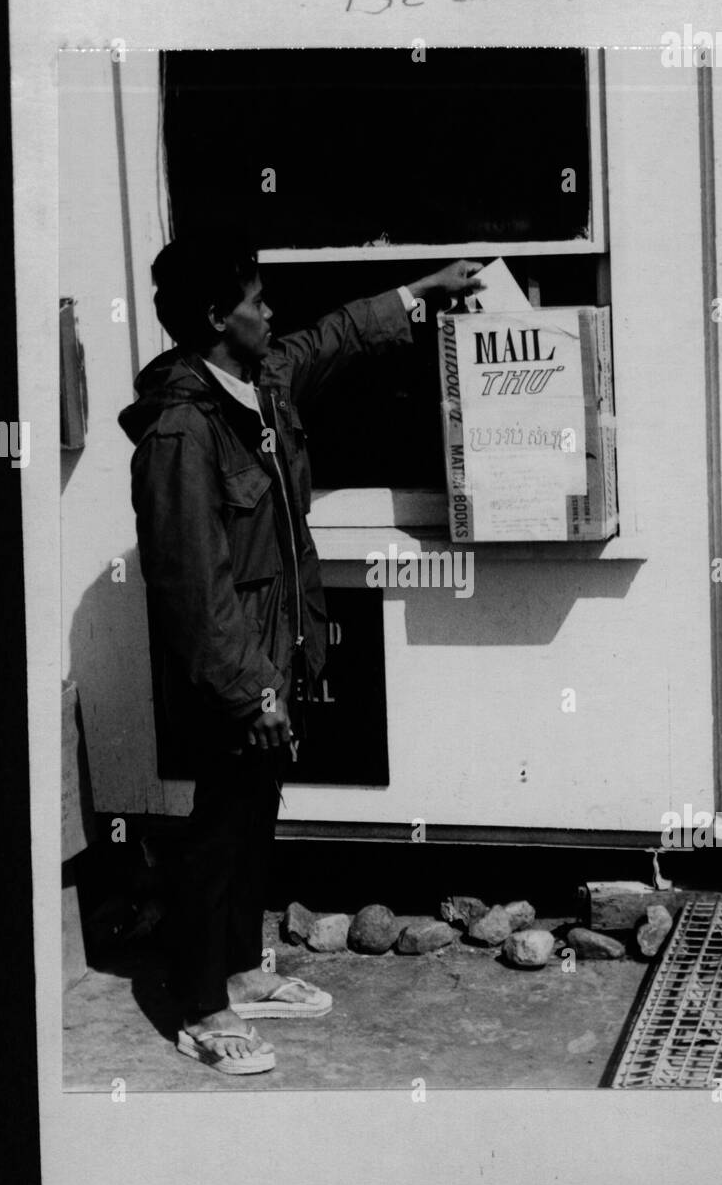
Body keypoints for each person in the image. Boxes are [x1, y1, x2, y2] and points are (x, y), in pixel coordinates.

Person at [119, 231, 483, 1074]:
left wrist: (422, 288)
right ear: (216, 318)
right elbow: (190, 587)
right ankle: (202, 1007)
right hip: (230, 675)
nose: (271, 311)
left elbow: (335, 337)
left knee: (252, 816)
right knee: (217, 832)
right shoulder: (181, 430)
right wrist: (251, 692)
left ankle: (240, 969)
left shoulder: (257, 382)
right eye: (256, 300)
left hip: (269, 662)